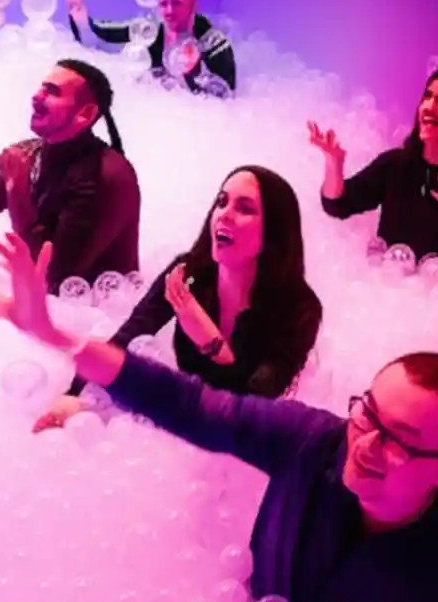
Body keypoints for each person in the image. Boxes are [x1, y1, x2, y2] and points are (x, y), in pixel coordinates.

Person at [0, 230, 438, 602]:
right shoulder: (312, 441)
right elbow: (191, 404)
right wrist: (54, 334)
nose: (366, 443)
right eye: (368, 413)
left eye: (400, 439)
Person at [32, 166, 323, 431]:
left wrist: (210, 342)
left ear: (272, 232)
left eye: (244, 208)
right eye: (221, 202)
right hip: (181, 418)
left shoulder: (300, 310)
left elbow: (249, 411)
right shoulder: (189, 274)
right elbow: (129, 336)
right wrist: (74, 395)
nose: (224, 214)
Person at [0, 59, 141, 290]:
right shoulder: (23, 156)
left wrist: (19, 191)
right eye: (41, 87)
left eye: (52, 92)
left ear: (85, 114)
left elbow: (58, 279)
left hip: (99, 313)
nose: (36, 97)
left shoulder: (109, 177)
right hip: (44, 302)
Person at [311, 68, 438, 266]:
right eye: (427, 97)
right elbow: (337, 205)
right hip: (392, 287)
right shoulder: (394, 165)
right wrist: (334, 164)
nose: (429, 107)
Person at [61, 0, 236, 94]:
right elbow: (97, 41)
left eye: (176, 4)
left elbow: (227, 99)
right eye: (164, 3)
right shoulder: (149, 33)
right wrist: (75, 4)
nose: (169, 11)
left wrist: (197, 72)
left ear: (193, 5)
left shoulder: (212, 44)